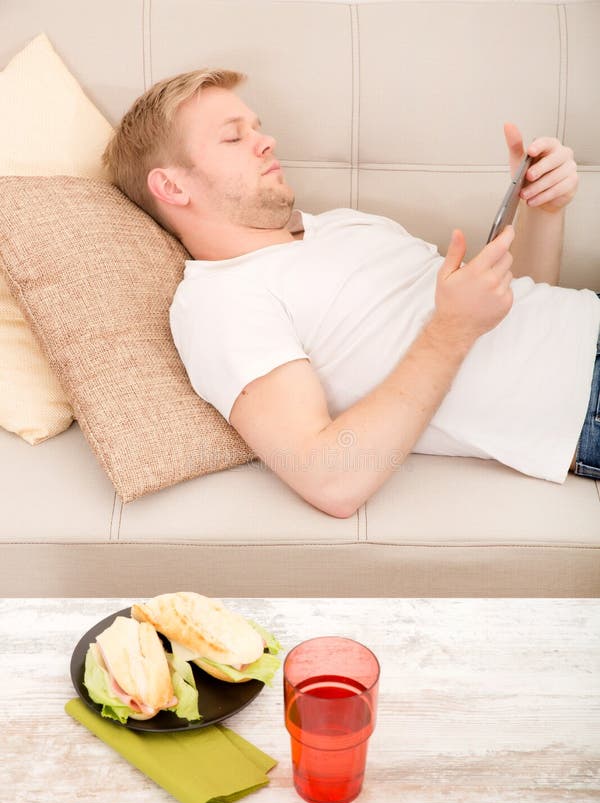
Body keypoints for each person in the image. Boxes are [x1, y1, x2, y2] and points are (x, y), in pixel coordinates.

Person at [102, 68, 600, 518]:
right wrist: (450, 329)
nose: (266, 141)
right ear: (171, 187)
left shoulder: (343, 224)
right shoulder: (221, 301)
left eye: (257, 127)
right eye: (234, 137)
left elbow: (517, 309)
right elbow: (331, 480)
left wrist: (545, 208)